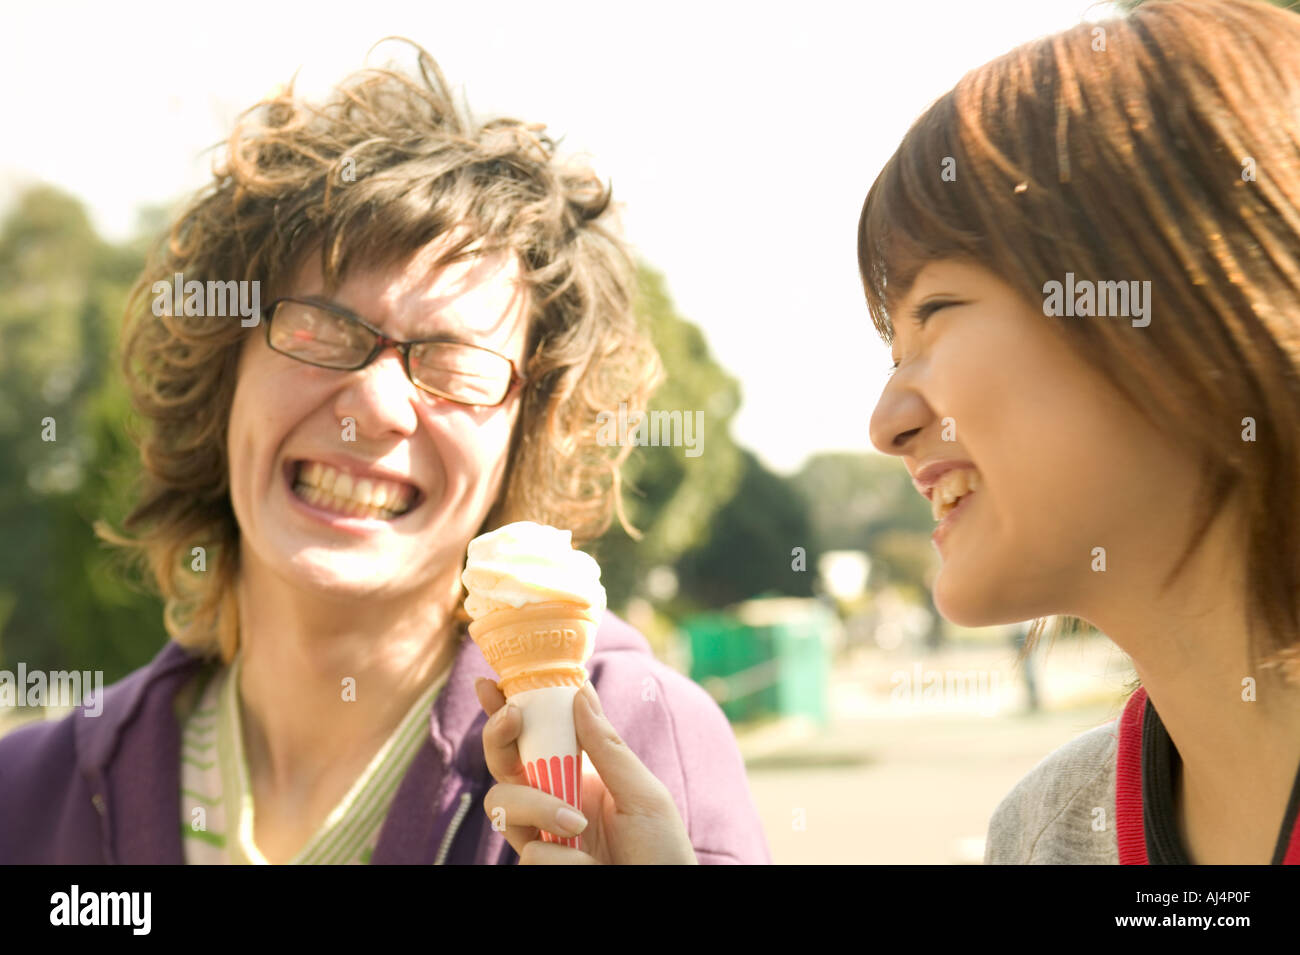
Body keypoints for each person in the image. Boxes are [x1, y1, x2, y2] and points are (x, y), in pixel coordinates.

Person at [479, 0, 1300, 865]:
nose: (886, 425)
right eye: (888, 350)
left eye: (938, 311)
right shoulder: (1047, 829)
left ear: (1187, 304)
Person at [0, 40, 769, 865]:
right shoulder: (29, 795)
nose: (373, 404)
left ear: (526, 434)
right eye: (319, 328)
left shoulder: (636, 753)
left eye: (454, 363)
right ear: (225, 372)